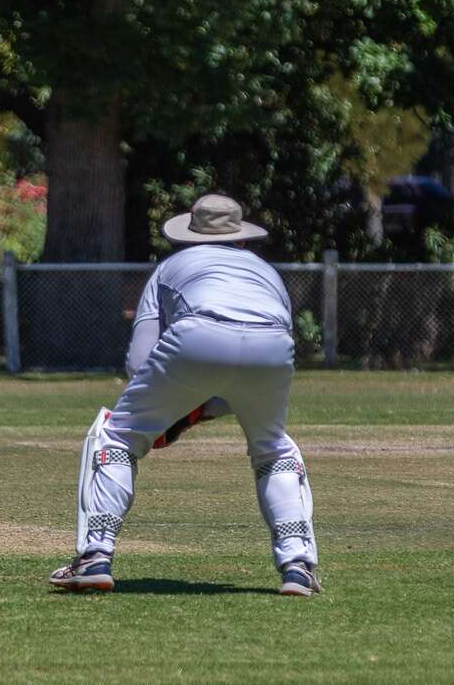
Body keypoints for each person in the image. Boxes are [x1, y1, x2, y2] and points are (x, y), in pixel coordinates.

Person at [49, 194, 321, 596]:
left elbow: (140, 363)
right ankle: (298, 567)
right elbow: (253, 362)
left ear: (190, 236)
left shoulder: (171, 267)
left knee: (116, 434)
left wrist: (171, 413)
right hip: (274, 348)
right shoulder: (267, 273)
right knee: (273, 448)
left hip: (197, 336)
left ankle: (94, 557)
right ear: (242, 239)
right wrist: (202, 410)